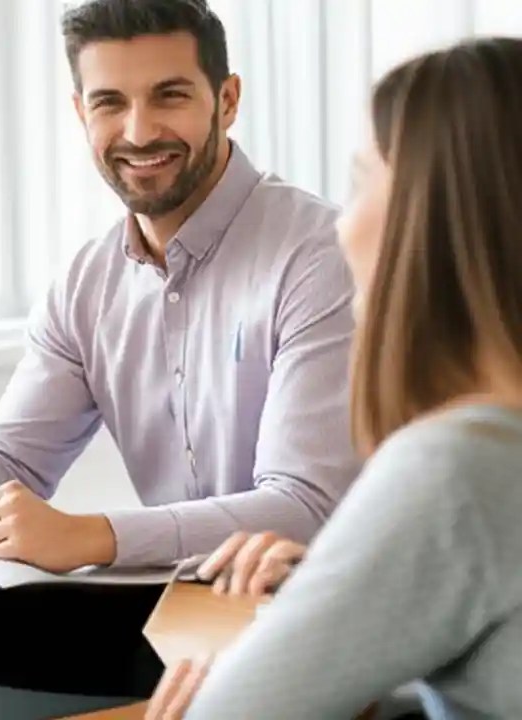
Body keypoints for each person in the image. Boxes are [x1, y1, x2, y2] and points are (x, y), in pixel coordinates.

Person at [0, 0, 360, 571]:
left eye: (170, 95)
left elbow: (305, 508)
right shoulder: (85, 287)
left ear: (227, 100)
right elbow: (12, 455)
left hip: (311, 615)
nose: (139, 132)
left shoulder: (324, 255)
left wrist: (93, 537)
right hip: (176, 619)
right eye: (110, 103)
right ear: (80, 112)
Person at [145, 35, 522, 720]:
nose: (343, 226)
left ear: (430, 215)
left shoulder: (459, 468)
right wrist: (349, 607)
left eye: (360, 181)